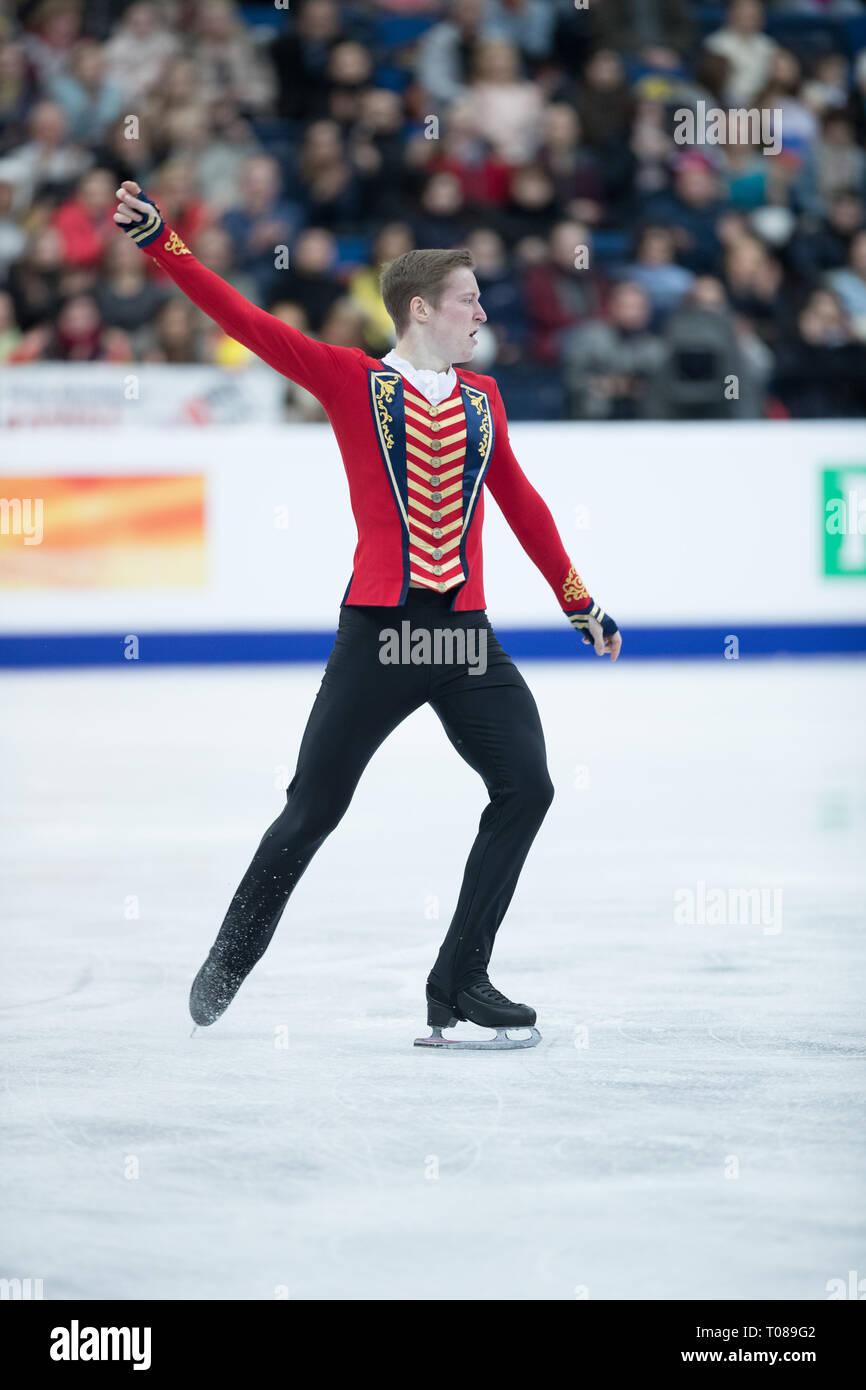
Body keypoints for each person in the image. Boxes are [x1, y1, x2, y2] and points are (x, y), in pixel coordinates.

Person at [113, 179, 622, 1050]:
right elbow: (248, 323)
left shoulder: (483, 401)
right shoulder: (351, 380)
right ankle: (232, 955)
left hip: (462, 637)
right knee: (312, 811)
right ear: (420, 308)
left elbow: (524, 506)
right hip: (381, 635)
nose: (480, 313)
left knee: (527, 786)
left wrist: (580, 603)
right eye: (467, 301)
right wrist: (164, 242)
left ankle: (459, 979)